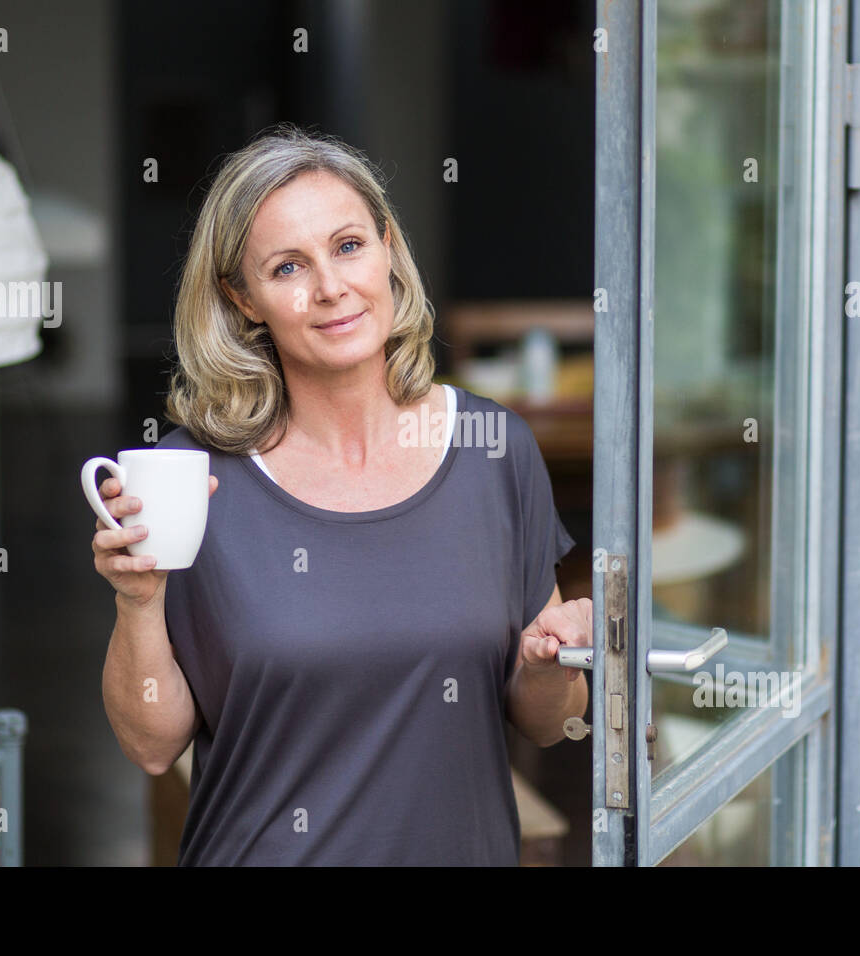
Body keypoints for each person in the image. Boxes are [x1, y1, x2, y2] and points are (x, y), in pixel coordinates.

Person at [96, 123, 590, 865]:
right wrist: (136, 603)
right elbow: (151, 746)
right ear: (243, 297)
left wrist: (554, 666)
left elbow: (549, 722)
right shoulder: (193, 478)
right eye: (288, 266)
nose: (331, 287)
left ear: (388, 246)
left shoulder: (494, 450)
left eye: (349, 245)